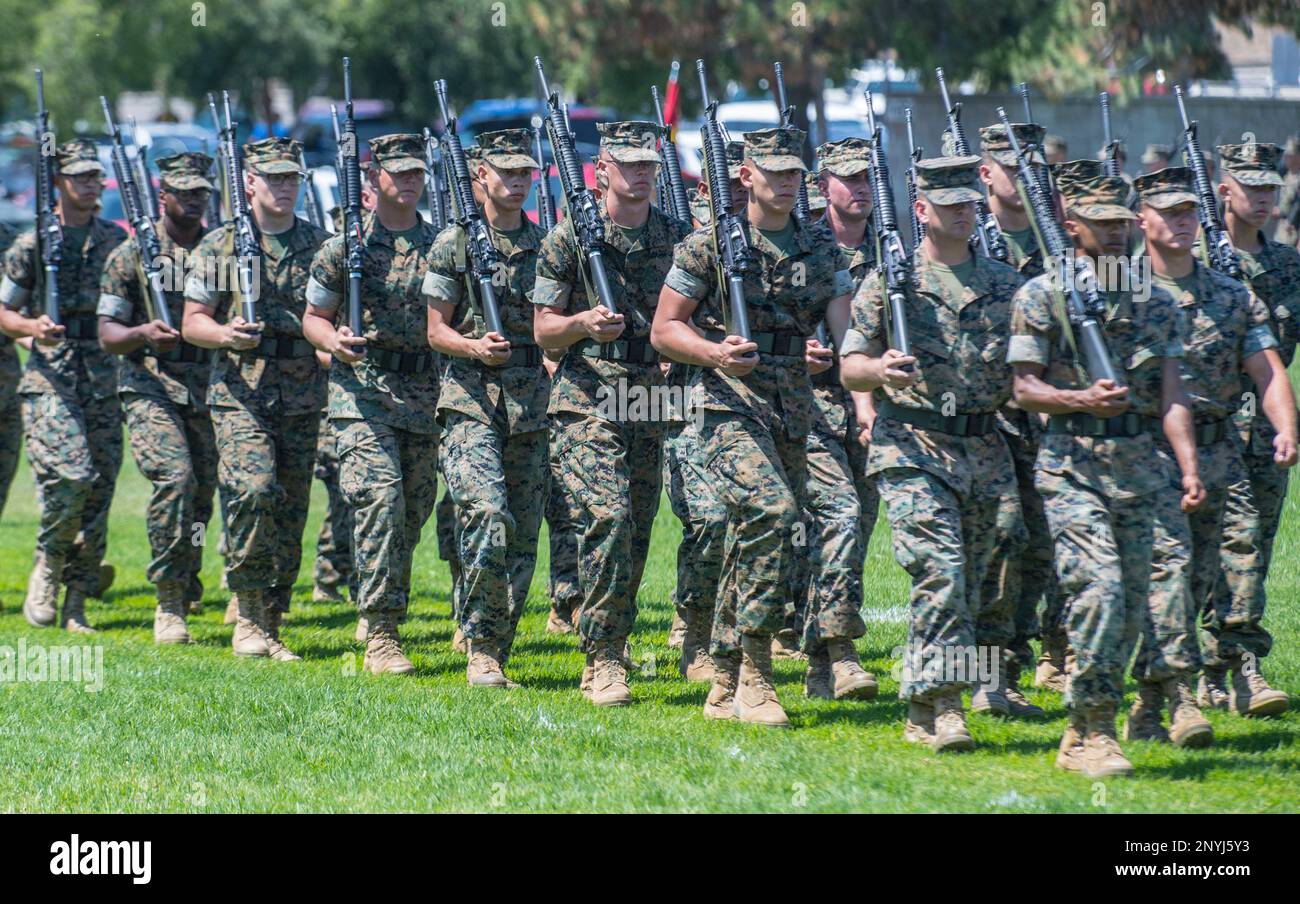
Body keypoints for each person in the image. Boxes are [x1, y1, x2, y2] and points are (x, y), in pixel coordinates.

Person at [652, 127, 853, 726]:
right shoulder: (708, 245)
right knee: (772, 511)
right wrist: (713, 353)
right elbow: (666, 329)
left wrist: (871, 370)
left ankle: (725, 668)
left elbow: (849, 338)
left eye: (795, 172)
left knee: (757, 534)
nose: (788, 182)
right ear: (746, 177)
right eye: (775, 172)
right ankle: (757, 675)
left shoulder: (822, 250)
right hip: (723, 400)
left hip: (791, 407)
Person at [1007, 170, 1204, 777]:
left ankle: (1083, 725)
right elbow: (1023, 388)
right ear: (1073, 228)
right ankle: (1094, 730)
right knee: (1100, 590)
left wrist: (1189, 467)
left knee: (1132, 606)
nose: (1116, 233)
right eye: (1102, 223)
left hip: (1142, 469)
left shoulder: (1158, 301)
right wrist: (1081, 402)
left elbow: (1172, 395)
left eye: (1122, 221)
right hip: (1072, 467)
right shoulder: (1043, 294)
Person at [840, 156, 1024, 750]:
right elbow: (851, 367)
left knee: (980, 582)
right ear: (921, 212)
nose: (964, 215)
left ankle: (926, 702)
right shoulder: (889, 282)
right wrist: (880, 368)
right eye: (950, 207)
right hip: (913, 445)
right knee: (940, 571)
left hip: (984, 447)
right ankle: (946, 707)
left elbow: (1029, 369)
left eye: (969, 205)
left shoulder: (1004, 284)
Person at [533, 121, 690, 705]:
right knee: (609, 516)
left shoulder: (679, 237)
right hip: (587, 394)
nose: (642, 171)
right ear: (602, 170)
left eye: (649, 162)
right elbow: (543, 331)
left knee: (639, 525)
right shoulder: (569, 237)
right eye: (629, 163)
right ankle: (601, 657)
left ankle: (614, 639)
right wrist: (581, 325)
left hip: (649, 393)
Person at [182, 137, 329, 660]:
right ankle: (246, 611)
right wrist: (226, 335)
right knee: (253, 490)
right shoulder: (223, 247)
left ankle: (272, 617)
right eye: (274, 179)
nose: (285, 187)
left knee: (289, 508)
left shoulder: (318, 244)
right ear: (248, 183)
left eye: (292, 178)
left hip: (304, 391)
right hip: (241, 390)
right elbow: (193, 321)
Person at [302, 133, 439, 674]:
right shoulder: (345, 248)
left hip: (425, 395)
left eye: (416, 172)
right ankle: (383, 632)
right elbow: (313, 317)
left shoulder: (441, 245)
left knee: (413, 508)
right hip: (363, 392)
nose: (409, 180)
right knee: (379, 499)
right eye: (399, 172)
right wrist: (332, 340)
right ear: (373, 179)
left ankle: (376, 591)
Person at [425, 129, 549, 688]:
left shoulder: (547, 243)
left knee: (521, 533)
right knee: (487, 513)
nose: (518, 181)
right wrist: (474, 346)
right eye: (507, 172)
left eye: (525, 172)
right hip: (471, 399)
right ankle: (479, 644)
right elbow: (436, 330)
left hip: (531, 404)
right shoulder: (452, 244)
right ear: (481, 178)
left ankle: (498, 640)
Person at [1, 140, 127, 633]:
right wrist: (32, 328)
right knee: (71, 477)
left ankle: (77, 602)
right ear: (59, 181)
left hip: (103, 376)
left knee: (99, 490)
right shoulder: (33, 244)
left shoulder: (115, 240)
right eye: (80, 176)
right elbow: (5, 311)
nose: (90, 183)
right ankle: (49, 562)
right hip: (50, 375)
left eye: (96, 175)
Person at [97, 152, 217, 642]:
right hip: (149, 385)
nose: (192, 199)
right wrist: (144, 331)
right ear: (161, 195)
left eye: (200, 191)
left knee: (203, 498)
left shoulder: (222, 250)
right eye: (182, 191)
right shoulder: (131, 255)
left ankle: (188, 570)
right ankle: (169, 599)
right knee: (176, 478)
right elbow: (107, 333)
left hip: (209, 385)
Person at [1199, 144, 1300, 716]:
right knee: (1206, 551)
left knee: (1252, 548)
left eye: (1270, 186)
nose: (1263, 198)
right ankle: (1216, 666)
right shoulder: (1187, 258)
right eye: (1251, 187)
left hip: (1265, 428)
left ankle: (1229, 666)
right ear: (1224, 189)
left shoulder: (1287, 266)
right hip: (1202, 425)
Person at [796, 136, 881, 701]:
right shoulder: (803, 246)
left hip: (873, 405)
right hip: (811, 403)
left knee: (854, 531)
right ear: (823, 186)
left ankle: (819, 660)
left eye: (867, 177)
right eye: (848, 178)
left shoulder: (895, 248)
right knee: (839, 519)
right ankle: (842, 652)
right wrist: (798, 344)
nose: (860, 188)